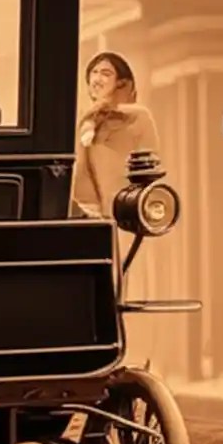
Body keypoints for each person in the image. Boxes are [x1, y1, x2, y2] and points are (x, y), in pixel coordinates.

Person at [70, 50, 162, 370]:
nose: (96, 78)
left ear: (122, 82)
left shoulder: (136, 116)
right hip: (88, 219)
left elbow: (151, 166)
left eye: (105, 73)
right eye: (93, 73)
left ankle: (133, 361)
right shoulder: (83, 120)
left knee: (127, 285)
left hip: (125, 217)